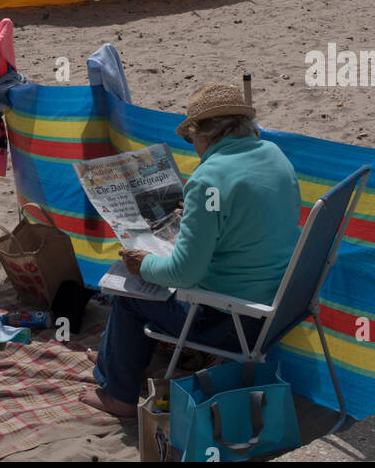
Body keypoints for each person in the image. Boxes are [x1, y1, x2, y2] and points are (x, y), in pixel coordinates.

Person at [81, 82, 301, 418]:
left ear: (205, 133)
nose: (192, 145)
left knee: (129, 293)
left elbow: (186, 273)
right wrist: (196, 219)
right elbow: (244, 222)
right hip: (279, 307)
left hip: (231, 321)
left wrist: (144, 265)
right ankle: (111, 360)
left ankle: (119, 396)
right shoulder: (273, 154)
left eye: (190, 138)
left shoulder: (209, 178)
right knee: (147, 281)